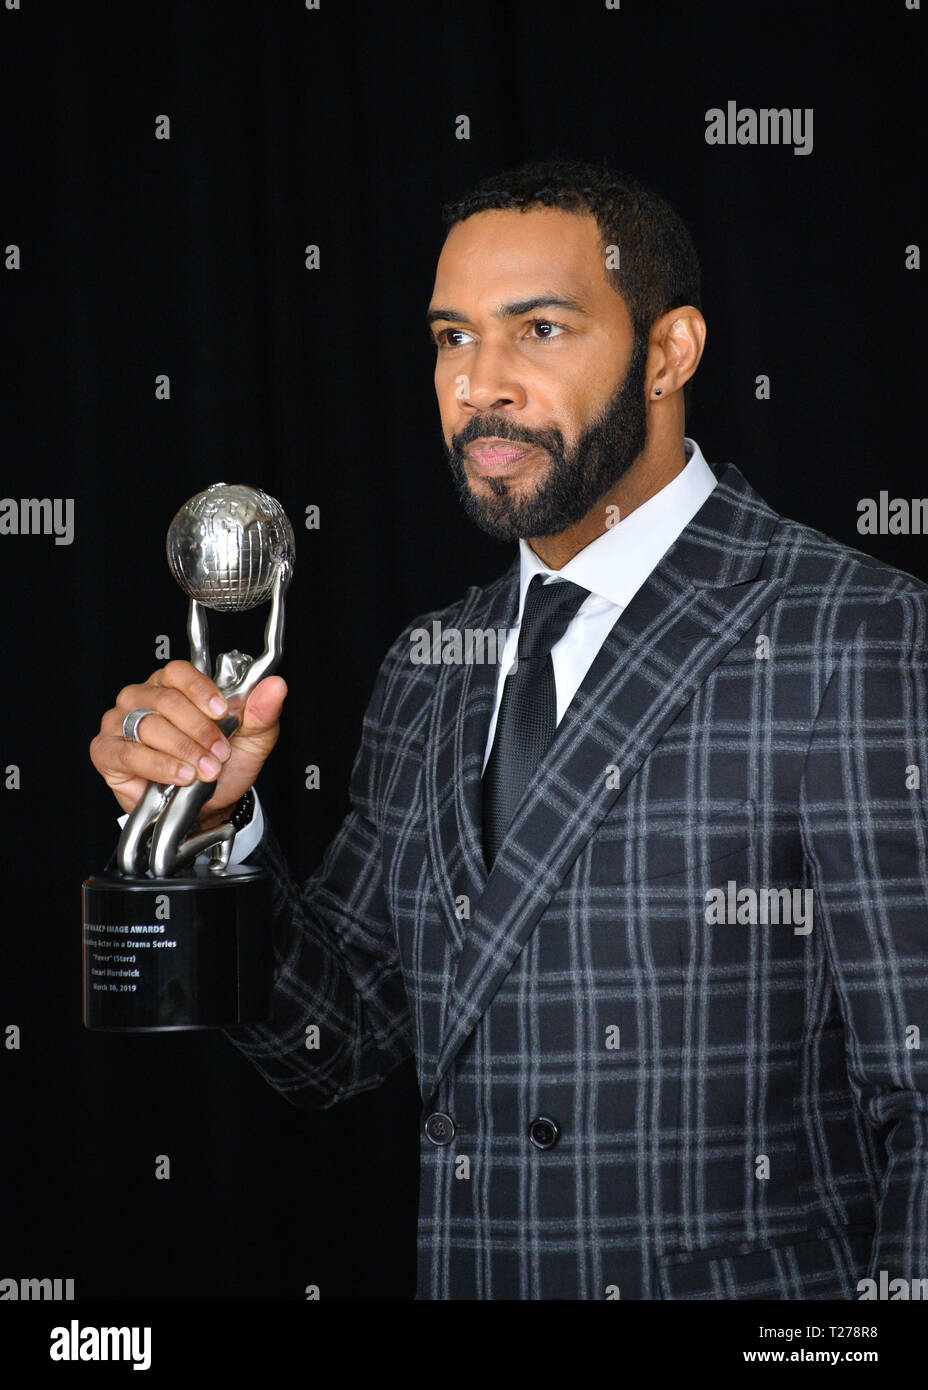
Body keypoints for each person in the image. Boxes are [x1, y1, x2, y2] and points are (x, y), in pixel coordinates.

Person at [90, 160, 928, 1300]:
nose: (479, 384)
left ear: (670, 351)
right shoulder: (430, 663)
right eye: (450, 338)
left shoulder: (851, 629)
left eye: (538, 328)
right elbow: (333, 1043)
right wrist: (213, 827)